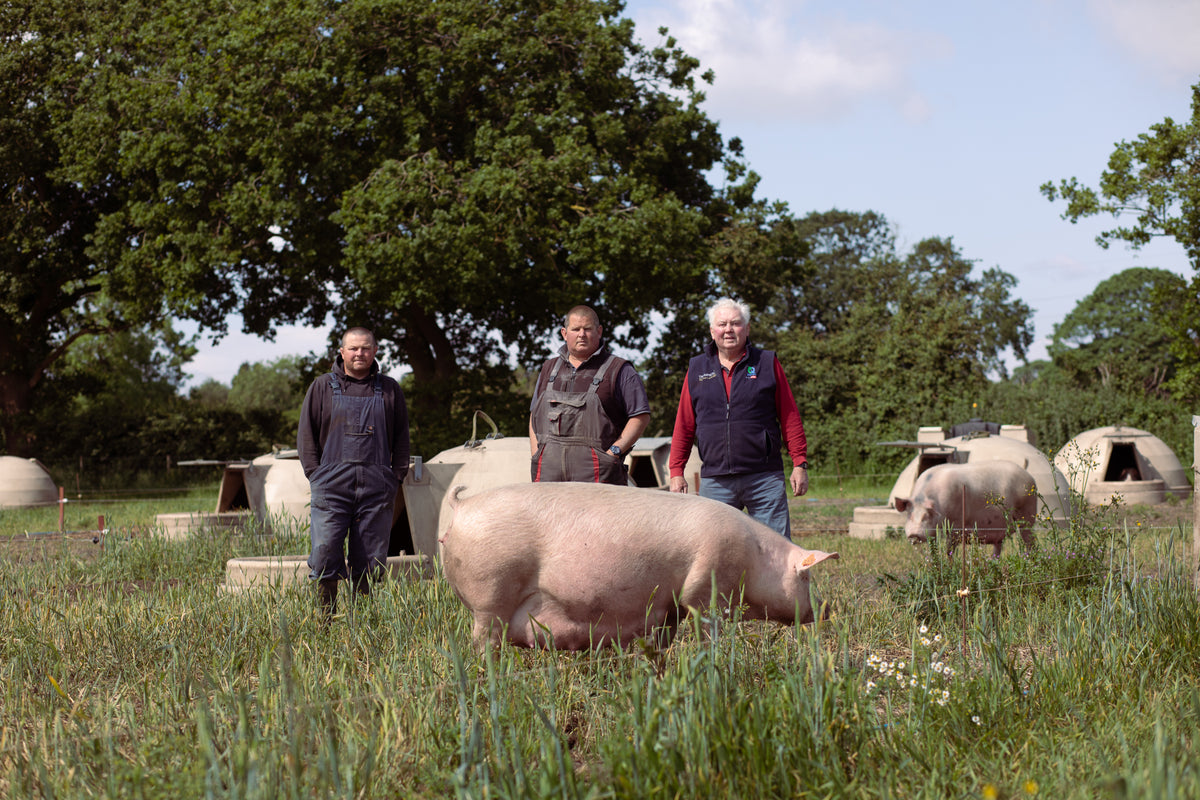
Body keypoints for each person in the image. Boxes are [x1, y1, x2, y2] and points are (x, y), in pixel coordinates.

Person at [668, 297, 808, 538]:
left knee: (774, 549)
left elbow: (789, 416)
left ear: (747, 328)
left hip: (764, 478)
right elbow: (684, 424)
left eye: (735, 323)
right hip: (716, 481)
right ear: (712, 331)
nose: (728, 330)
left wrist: (799, 462)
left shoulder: (767, 362)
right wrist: (676, 470)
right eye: (722, 324)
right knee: (717, 553)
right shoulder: (697, 368)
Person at [297, 327, 410, 617]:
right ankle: (327, 620)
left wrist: (394, 477)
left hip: (376, 487)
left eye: (365, 348)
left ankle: (362, 624)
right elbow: (306, 436)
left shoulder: (389, 389)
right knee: (324, 553)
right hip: (331, 486)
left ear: (374, 351)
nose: (359, 353)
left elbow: (401, 438)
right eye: (353, 348)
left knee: (371, 559)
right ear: (342, 352)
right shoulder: (322, 386)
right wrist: (316, 475)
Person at [529, 305, 650, 484]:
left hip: (598, 477)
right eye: (575, 329)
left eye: (587, 329)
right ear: (564, 333)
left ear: (599, 331)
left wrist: (613, 454)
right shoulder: (548, 368)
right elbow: (534, 415)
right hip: (548, 476)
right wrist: (536, 454)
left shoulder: (619, 369)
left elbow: (640, 416)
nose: (581, 334)